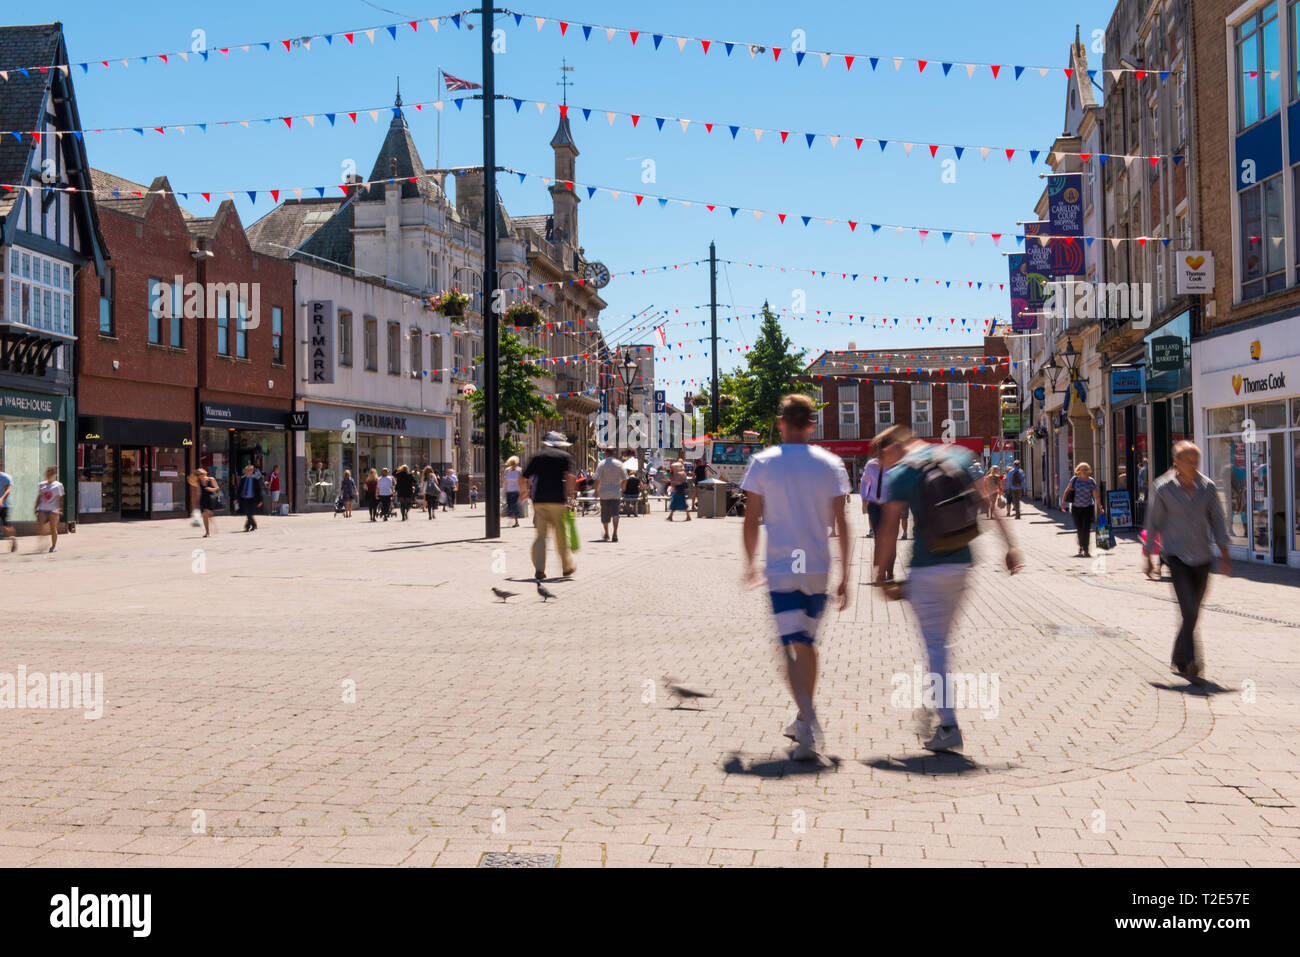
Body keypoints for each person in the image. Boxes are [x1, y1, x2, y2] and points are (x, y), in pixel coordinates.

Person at [873, 425, 1023, 753]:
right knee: (941, 643)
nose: (881, 465)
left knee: (937, 646)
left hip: (928, 567)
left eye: (880, 457)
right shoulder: (955, 455)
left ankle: (949, 725)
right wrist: (1010, 546)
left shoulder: (901, 472)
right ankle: (934, 701)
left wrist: (881, 574)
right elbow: (989, 501)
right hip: (962, 564)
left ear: (890, 449)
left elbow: (887, 529)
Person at [740, 395, 851, 762]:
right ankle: (803, 718)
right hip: (817, 566)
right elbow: (843, 523)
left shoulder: (763, 463)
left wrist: (749, 562)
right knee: (806, 643)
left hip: (783, 565)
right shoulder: (831, 464)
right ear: (812, 425)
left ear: (781, 422)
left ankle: (810, 722)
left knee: (787, 646)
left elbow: (751, 518)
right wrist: (846, 574)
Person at [1144, 441, 1232, 685]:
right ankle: (1193, 662)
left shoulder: (1208, 488)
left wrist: (1224, 554)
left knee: (1193, 611)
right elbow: (1153, 523)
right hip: (1176, 556)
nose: (1194, 465)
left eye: (1196, 461)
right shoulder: (1163, 489)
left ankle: (1178, 655)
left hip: (1203, 557)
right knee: (1189, 608)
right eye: (1189, 461)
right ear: (1177, 462)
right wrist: (1149, 557)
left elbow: (1217, 521)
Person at [522, 432, 576, 579]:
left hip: (539, 500)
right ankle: (566, 567)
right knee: (561, 535)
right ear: (559, 444)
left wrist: (525, 492)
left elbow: (524, 476)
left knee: (540, 536)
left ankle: (539, 569)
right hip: (557, 500)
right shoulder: (564, 457)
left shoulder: (537, 456)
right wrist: (571, 497)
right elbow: (570, 477)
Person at [1061, 462, 1102, 558]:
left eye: (1085, 469)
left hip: (1088, 507)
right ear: (1078, 470)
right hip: (1076, 508)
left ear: (1088, 471)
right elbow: (1067, 491)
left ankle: (1086, 549)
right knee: (1079, 528)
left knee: (1086, 528)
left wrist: (1100, 507)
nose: (1083, 471)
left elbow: (1096, 495)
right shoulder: (1074, 479)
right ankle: (1081, 545)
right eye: (1081, 469)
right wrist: (1063, 503)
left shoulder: (1091, 481)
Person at [594, 449, 627, 542]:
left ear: (606, 453)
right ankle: (615, 533)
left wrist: (596, 490)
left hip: (604, 492)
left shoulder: (602, 464)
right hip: (615, 492)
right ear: (614, 453)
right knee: (615, 513)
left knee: (605, 514)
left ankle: (607, 533)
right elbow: (625, 478)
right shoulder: (619, 464)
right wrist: (623, 488)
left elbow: (596, 478)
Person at [34, 466, 64, 553]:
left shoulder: (58, 485)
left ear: (54, 475)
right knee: (40, 526)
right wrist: (36, 507)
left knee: (53, 528)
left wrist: (59, 509)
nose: (49, 475)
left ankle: (53, 546)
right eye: (48, 473)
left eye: (51, 474)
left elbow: (60, 498)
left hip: (53, 509)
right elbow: (39, 497)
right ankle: (44, 539)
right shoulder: (42, 484)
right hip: (43, 508)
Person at [859, 455, 885, 539]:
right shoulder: (871, 464)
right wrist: (864, 499)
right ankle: (872, 531)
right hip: (874, 502)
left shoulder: (895, 464)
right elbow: (864, 482)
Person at [194, 468, 220, 536]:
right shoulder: (198, 482)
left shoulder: (211, 479)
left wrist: (211, 489)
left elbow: (217, 488)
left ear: (204, 473)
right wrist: (196, 502)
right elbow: (198, 493)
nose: (200, 475)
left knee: (208, 513)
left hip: (211, 498)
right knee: (205, 516)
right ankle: (207, 532)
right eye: (198, 474)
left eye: (201, 473)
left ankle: (213, 525)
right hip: (202, 500)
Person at [503, 457, 524, 527]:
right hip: (509, 491)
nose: (513, 465)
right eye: (512, 464)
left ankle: (516, 522)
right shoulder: (507, 470)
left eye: (514, 464)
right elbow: (505, 481)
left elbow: (521, 481)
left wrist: (522, 492)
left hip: (516, 491)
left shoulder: (519, 470)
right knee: (510, 506)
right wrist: (504, 490)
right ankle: (512, 520)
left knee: (514, 506)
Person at [0, 460, 15, 552]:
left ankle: (13, 539)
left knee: (6, 527)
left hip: (4, 505)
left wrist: (1, 499)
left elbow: (8, 490)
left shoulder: (6, 477)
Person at [1136, 456, 1150, 527]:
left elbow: (1139, 480)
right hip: (1147, 488)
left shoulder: (1142, 470)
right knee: (1147, 502)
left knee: (1141, 502)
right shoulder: (1148, 468)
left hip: (1142, 489)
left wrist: (1140, 488)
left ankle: (1141, 519)